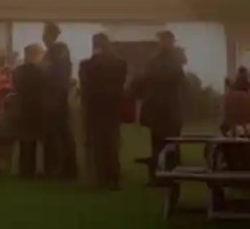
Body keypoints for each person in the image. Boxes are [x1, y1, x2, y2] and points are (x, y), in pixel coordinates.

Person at [134, 30, 187, 183]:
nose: (163, 43)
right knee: (158, 142)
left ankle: (171, 173)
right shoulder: (155, 59)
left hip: (169, 107)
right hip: (159, 107)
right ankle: (159, 174)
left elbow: (175, 79)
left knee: (170, 142)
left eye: (165, 40)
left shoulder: (172, 60)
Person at [78, 32, 128, 189]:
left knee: (97, 143)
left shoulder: (88, 64)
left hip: (95, 107)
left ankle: (100, 177)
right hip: (112, 107)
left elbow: (85, 82)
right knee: (111, 143)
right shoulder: (120, 63)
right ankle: (113, 177)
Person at [40, 22, 77, 179]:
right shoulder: (57, 51)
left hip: (55, 98)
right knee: (59, 134)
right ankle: (61, 167)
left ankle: (61, 168)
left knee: (58, 135)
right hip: (56, 97)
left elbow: (51, 74)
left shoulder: (57, 50)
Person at [10, 43, 46, 178]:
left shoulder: (18, 71)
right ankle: (36, 169)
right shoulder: (41, 71)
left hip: (22, 107)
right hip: (37, 108)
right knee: (36, 140)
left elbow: (15, 87)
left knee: (24, 140)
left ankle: (24, 169)